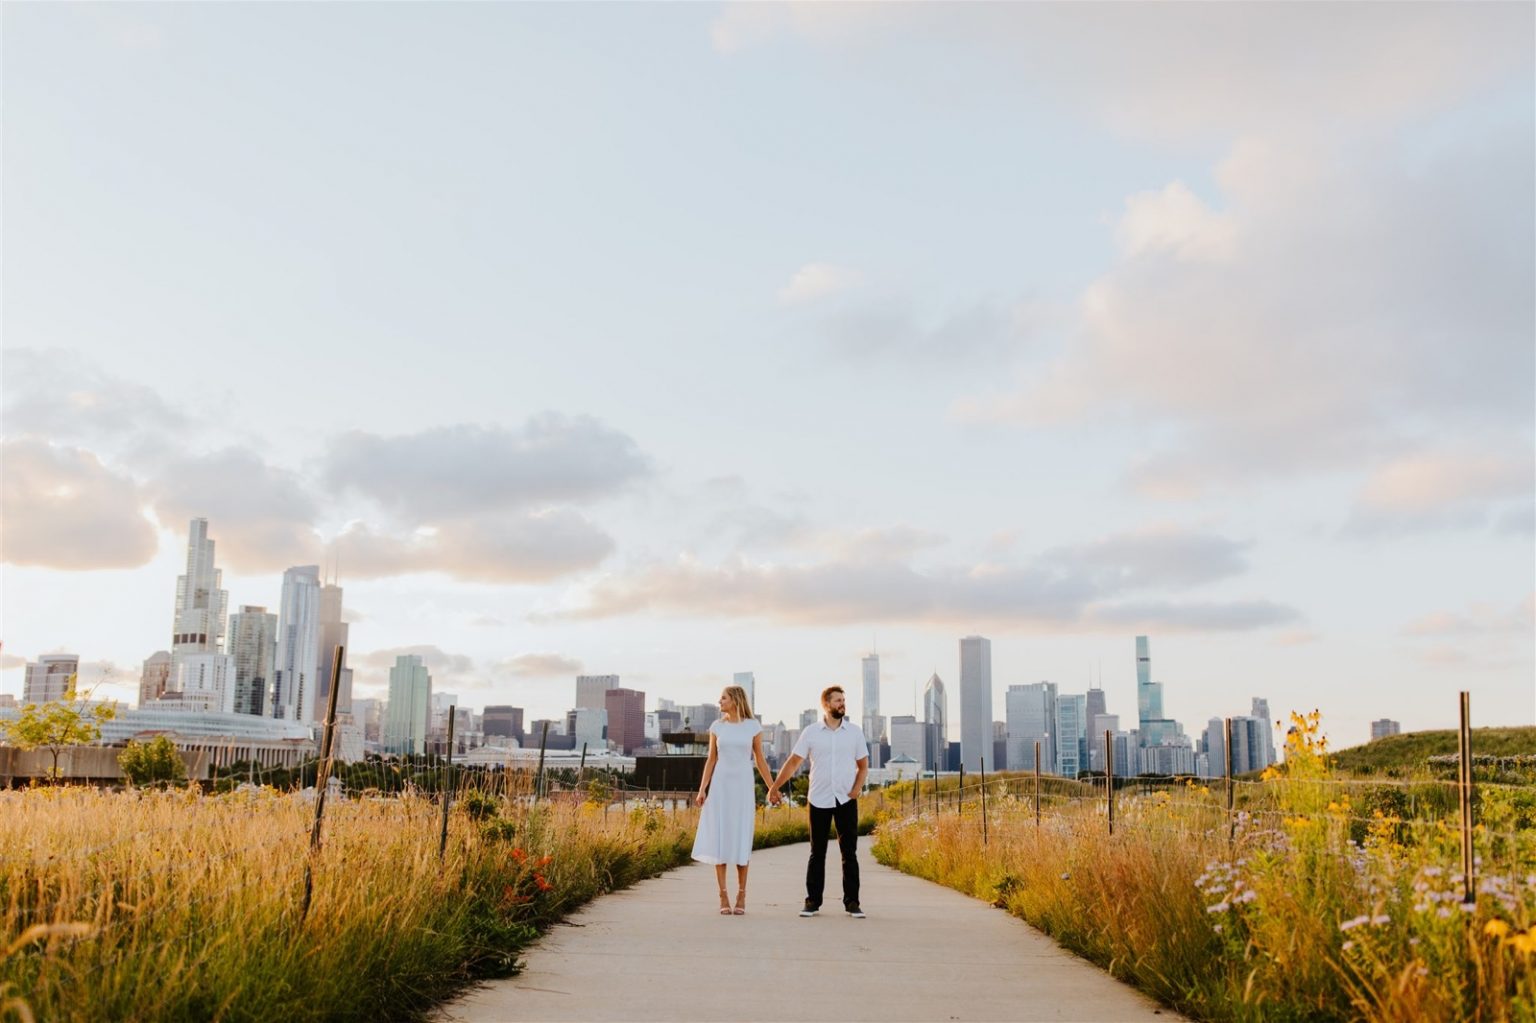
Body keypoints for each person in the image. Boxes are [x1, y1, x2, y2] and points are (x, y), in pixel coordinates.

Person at [768, 685, 869, 918]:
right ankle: (812, 902)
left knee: (849, 853)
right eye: (837, 701)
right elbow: (793, 762)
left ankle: (852, 903)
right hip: (819, 798)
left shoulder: (854, 732)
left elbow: (862, 766)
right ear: (826, 705)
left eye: (843, 700)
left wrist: (855, 790)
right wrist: (775, 786)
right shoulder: (811, 732)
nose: (842, 704)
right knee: (817, 852)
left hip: (846, 799)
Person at [691, 684, 776, 915]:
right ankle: (723, 895)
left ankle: (741, 894)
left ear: (735, 700)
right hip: (720, 787)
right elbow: (711, 760)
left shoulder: (753, 726)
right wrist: (702, 790)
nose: (720, 702)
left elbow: (759, 760)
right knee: (721, 837)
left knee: (740, 837)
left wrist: (772, 787)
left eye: (723, 698)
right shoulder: (717, 726)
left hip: (742, 787)